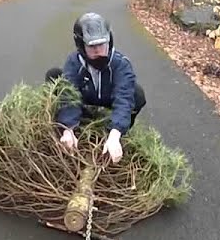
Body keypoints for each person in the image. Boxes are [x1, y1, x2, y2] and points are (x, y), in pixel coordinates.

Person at [45, 12, 147, 164]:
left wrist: (115, 134)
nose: (99, 50)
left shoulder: (121, 64)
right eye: (92, 46)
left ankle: (117, 132)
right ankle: (78, 120)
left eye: (102, 44)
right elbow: (69, 93)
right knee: (54, 76)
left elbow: (124, 98)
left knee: (137, 95)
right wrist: (68, 128)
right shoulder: (74, 62)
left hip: (108, 98)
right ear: (81, 46)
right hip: (85, 95)